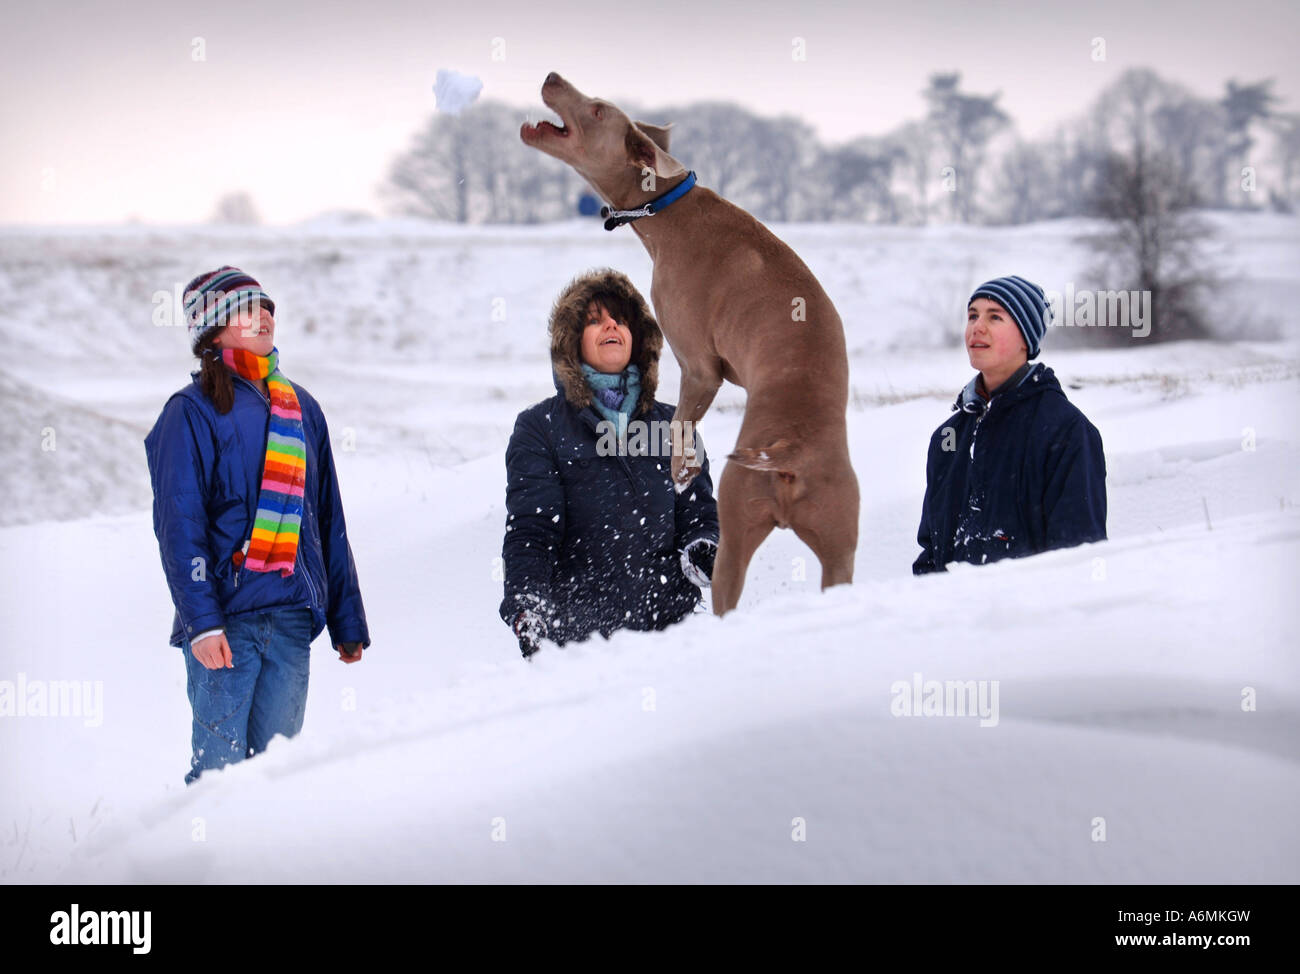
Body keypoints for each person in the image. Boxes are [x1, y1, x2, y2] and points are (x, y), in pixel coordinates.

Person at [145, 266, 370, 784]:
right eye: (248, 309)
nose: (264, 316)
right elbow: (179, 527)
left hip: (291, 619)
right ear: (213, 327)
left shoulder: (302, 406)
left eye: (268, 307)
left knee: (276, 779)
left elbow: (327, 519)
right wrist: (202, 622)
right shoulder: (188, 412)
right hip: (227, 624)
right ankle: (197, 862)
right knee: (218, 779)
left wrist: (347, 618)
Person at [500, 268, 720, 658]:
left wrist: (704, 547)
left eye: (620, 318)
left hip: (673, 640)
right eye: (594, 320)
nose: (611, 325)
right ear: (571, 342)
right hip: (579, 648)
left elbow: (699, 515)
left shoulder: (676, 426)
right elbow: (532, 531)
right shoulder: (541, 429)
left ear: (639, 339)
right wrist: (527, 605)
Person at [913, 275, 1107, 575]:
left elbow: (1079, 553)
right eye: (972, 315)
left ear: (1026, 339)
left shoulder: (1066, 431)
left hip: (1027, 617)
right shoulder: (948, 437)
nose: (977, 326)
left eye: (995, 317)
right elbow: (931, 551)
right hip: (951, 617)